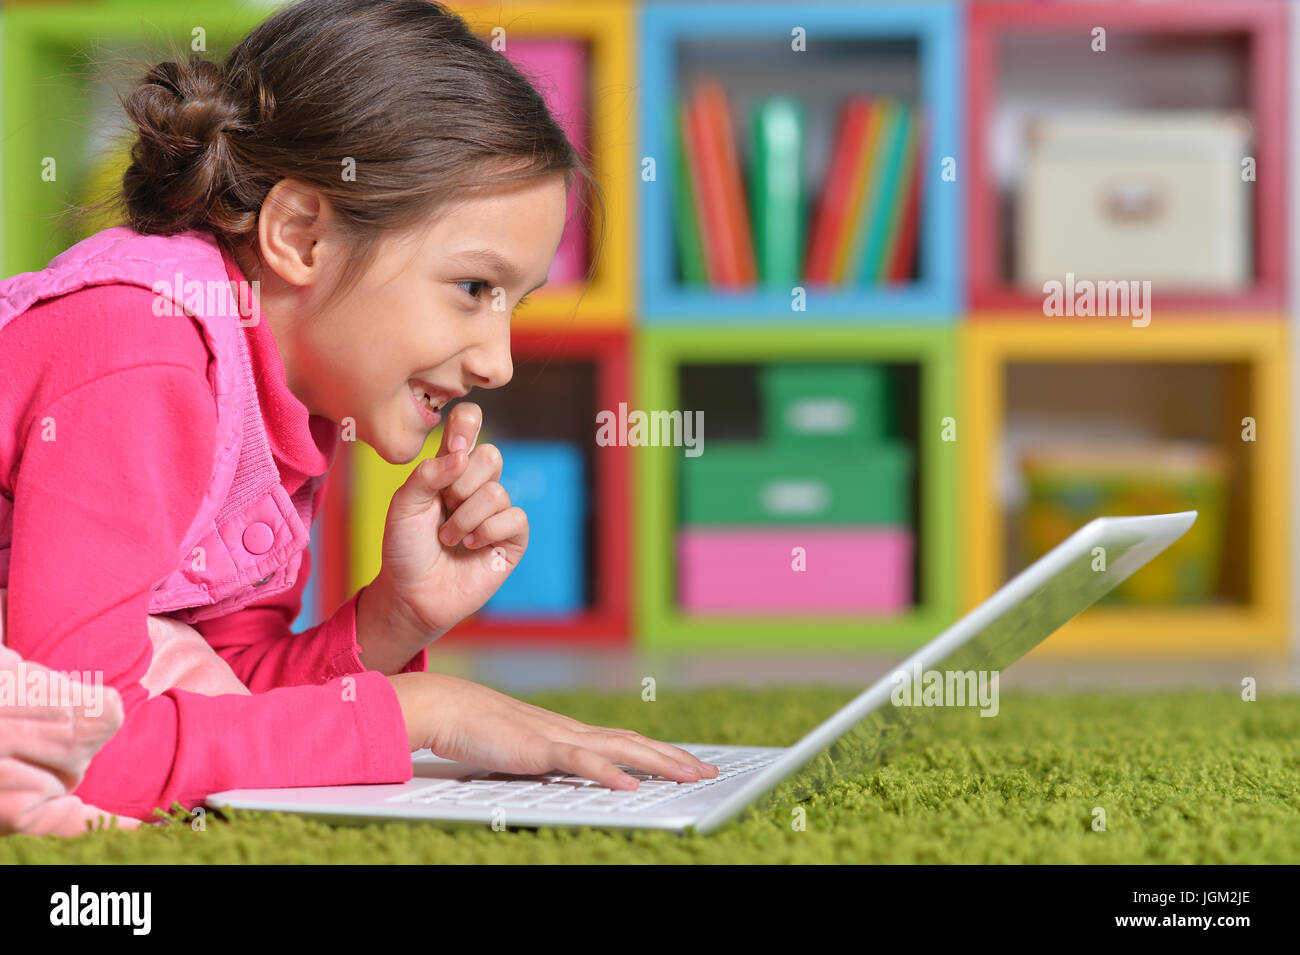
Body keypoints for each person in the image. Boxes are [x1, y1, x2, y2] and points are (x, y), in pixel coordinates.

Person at [0, 0, 714, 836]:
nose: (499, 361)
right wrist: (415, 713)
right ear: (302, 235)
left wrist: (389, 623)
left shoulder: (279, 393)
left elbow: (220, 697)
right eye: (474, 288)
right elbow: (86, 741)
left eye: (515, 304)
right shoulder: (144, 346)